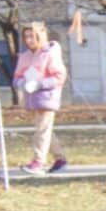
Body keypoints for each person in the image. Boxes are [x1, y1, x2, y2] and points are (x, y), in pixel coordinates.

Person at [12, 22, 68, 175]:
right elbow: (16, 78)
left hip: (46, 98)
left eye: (32, 36)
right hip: (31, 99)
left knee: (42, 131)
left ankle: (38, 162)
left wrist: (39, 84)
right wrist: (22, 83)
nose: (29, 40)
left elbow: (59, 77)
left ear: (40, 36)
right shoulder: (24, 56)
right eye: (26, 37)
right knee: (44, 130)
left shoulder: (50, 53)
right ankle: (60, 159)